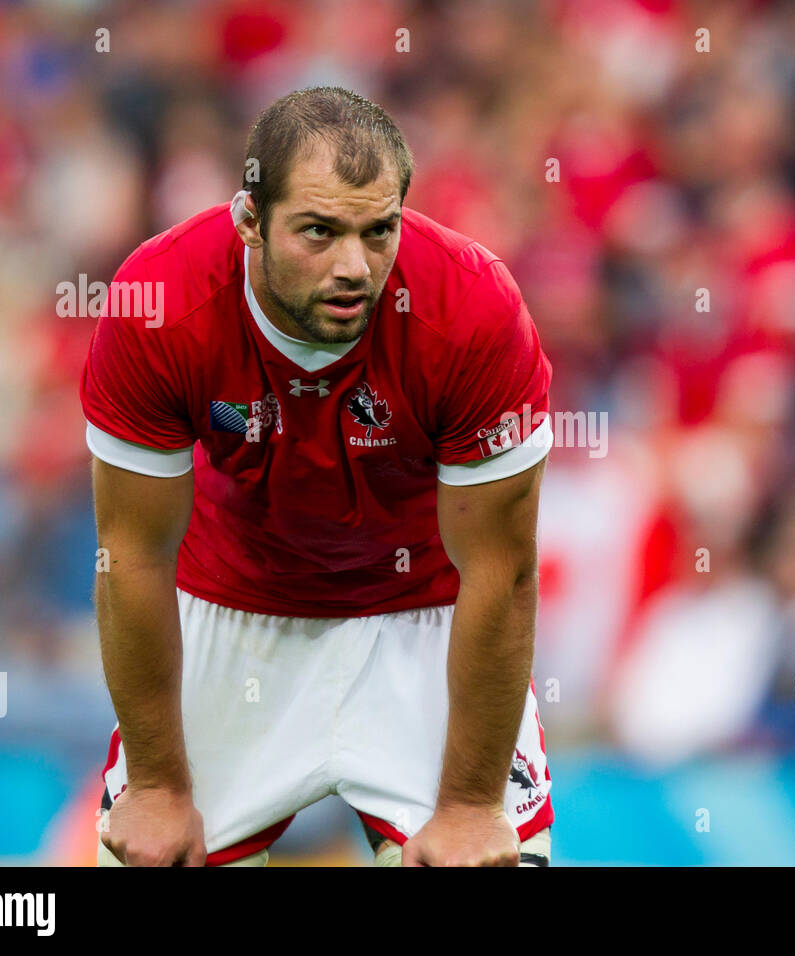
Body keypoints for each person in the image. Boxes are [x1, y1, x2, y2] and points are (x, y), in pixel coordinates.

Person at [80, 86, 555, 867]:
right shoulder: (157, 301)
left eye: (379, 232)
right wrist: (161, 786)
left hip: (425, 617)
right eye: (319, 232)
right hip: (231, 609)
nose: (353, 267)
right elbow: (130, 553)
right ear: (248, 221)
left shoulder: (472, 309)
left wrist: (470, 804)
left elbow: (501, 571)